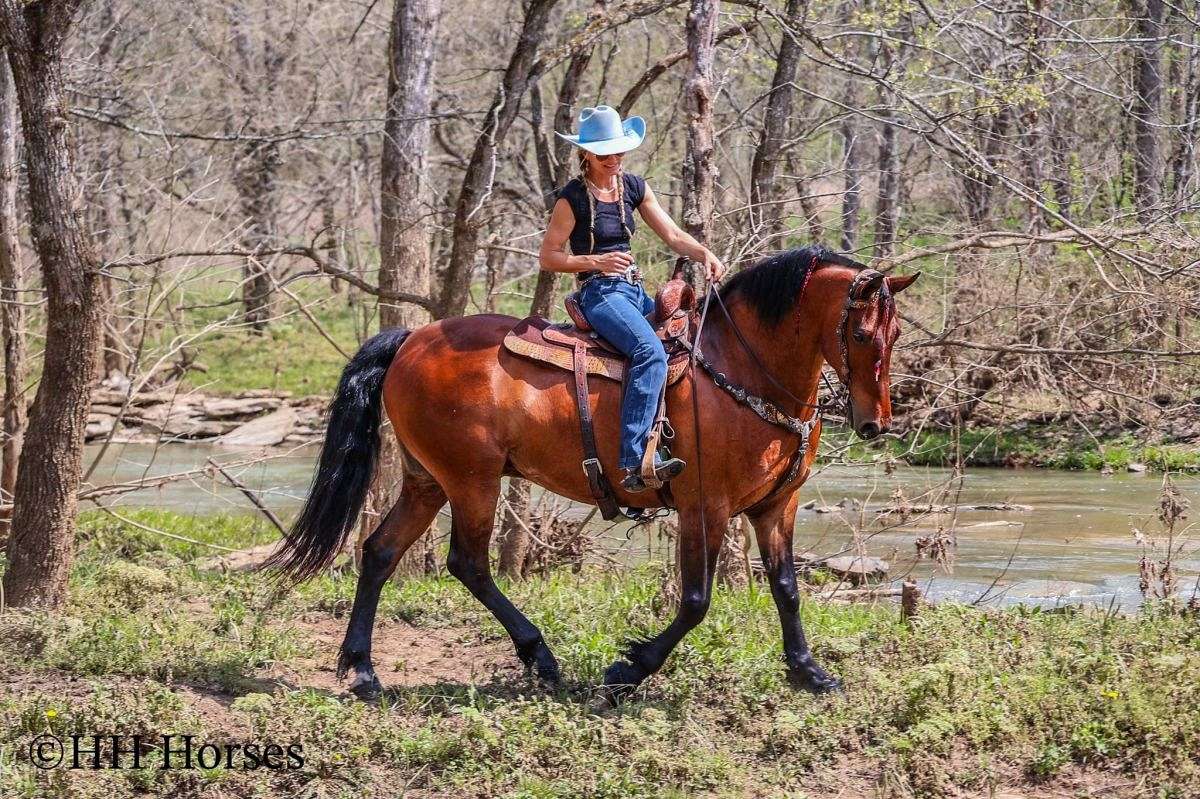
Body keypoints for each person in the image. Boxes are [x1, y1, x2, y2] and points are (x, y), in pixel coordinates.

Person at [538, 105, 726, 493]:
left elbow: (673, 235)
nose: (613, 160)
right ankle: (635, 459)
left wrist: (703, 253)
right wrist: (597, 261)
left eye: (619, 152)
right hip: (598, 291)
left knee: (687, 344)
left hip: (634, 289)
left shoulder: (634, 187)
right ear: (586, 154)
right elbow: (549, 256)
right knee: (649, 352)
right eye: (605, 154)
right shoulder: (571, 199)